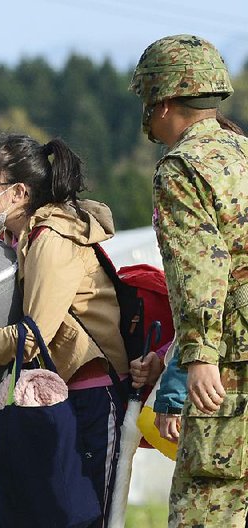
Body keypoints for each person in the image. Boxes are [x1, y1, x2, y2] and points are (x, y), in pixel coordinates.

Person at [0, 133, 129, 527]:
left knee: (77, 516)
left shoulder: (52, 239)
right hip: (43, 396)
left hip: (88, 400)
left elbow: (33, 335)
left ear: (18, 192)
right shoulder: (17, 237)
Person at [130, 34, 248, 526]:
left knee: (208, 505)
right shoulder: (242, 152)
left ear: (164, 99)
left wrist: (197, 358)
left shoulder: (183, 166)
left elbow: (198, 269)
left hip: (230, 360)